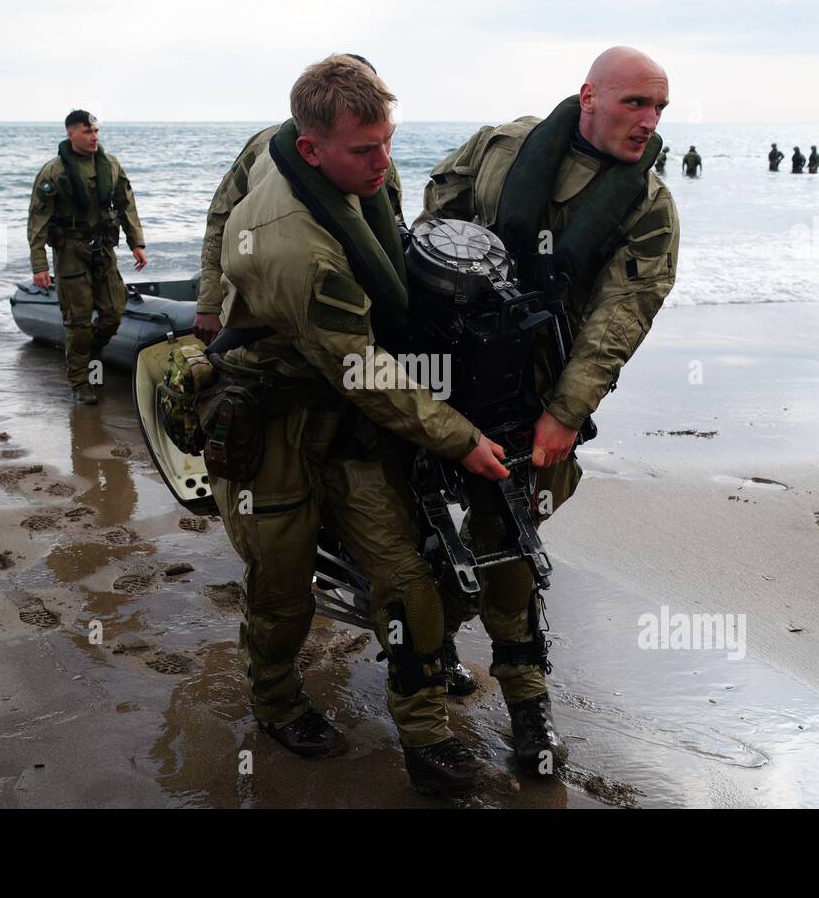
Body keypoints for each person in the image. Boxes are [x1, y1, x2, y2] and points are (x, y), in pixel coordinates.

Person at [210, 54, 512, 795]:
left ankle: (425, 731)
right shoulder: (292, 242)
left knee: (406, 573)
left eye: (388, 142)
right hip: (274, 413)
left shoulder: (367, 177)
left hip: (348, 409)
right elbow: (364, 369)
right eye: (364, 150)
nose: (384, 162)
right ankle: (277, 701)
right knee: (282, 586)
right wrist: (460, 439)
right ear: (310, 147)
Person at [419, 45, 679, 776]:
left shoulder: (649, 206)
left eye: (660, 108)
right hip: (440, 370)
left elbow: (621, 318)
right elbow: (433, 228)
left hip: (534, 395)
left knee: (510, 546)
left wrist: (564, 414)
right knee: (416, 520)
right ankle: (428, 655)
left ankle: (528, 711)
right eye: (636, 103)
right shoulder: (501, 148)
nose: (649, 120)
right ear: (588, 96)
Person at [193, 55, 402, 347]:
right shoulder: (263, 148)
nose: (382, 160)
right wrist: (209, 304)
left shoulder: (375, 159)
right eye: (362, 149)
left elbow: (389, 226)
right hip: (277, 303)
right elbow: (222, 218)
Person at [27, 110, 148, 404]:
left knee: (113, 312)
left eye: (96, 131)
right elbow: (37, 220)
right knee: (78, 322)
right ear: (71, 133)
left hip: (103, 249)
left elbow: (125, 204)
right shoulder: (54, 172)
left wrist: (137, 243)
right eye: (87, 131)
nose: (94, 137)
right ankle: (81, 382)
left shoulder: (110, 165)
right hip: (70, 252)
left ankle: (86, 353)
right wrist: (39, 265)